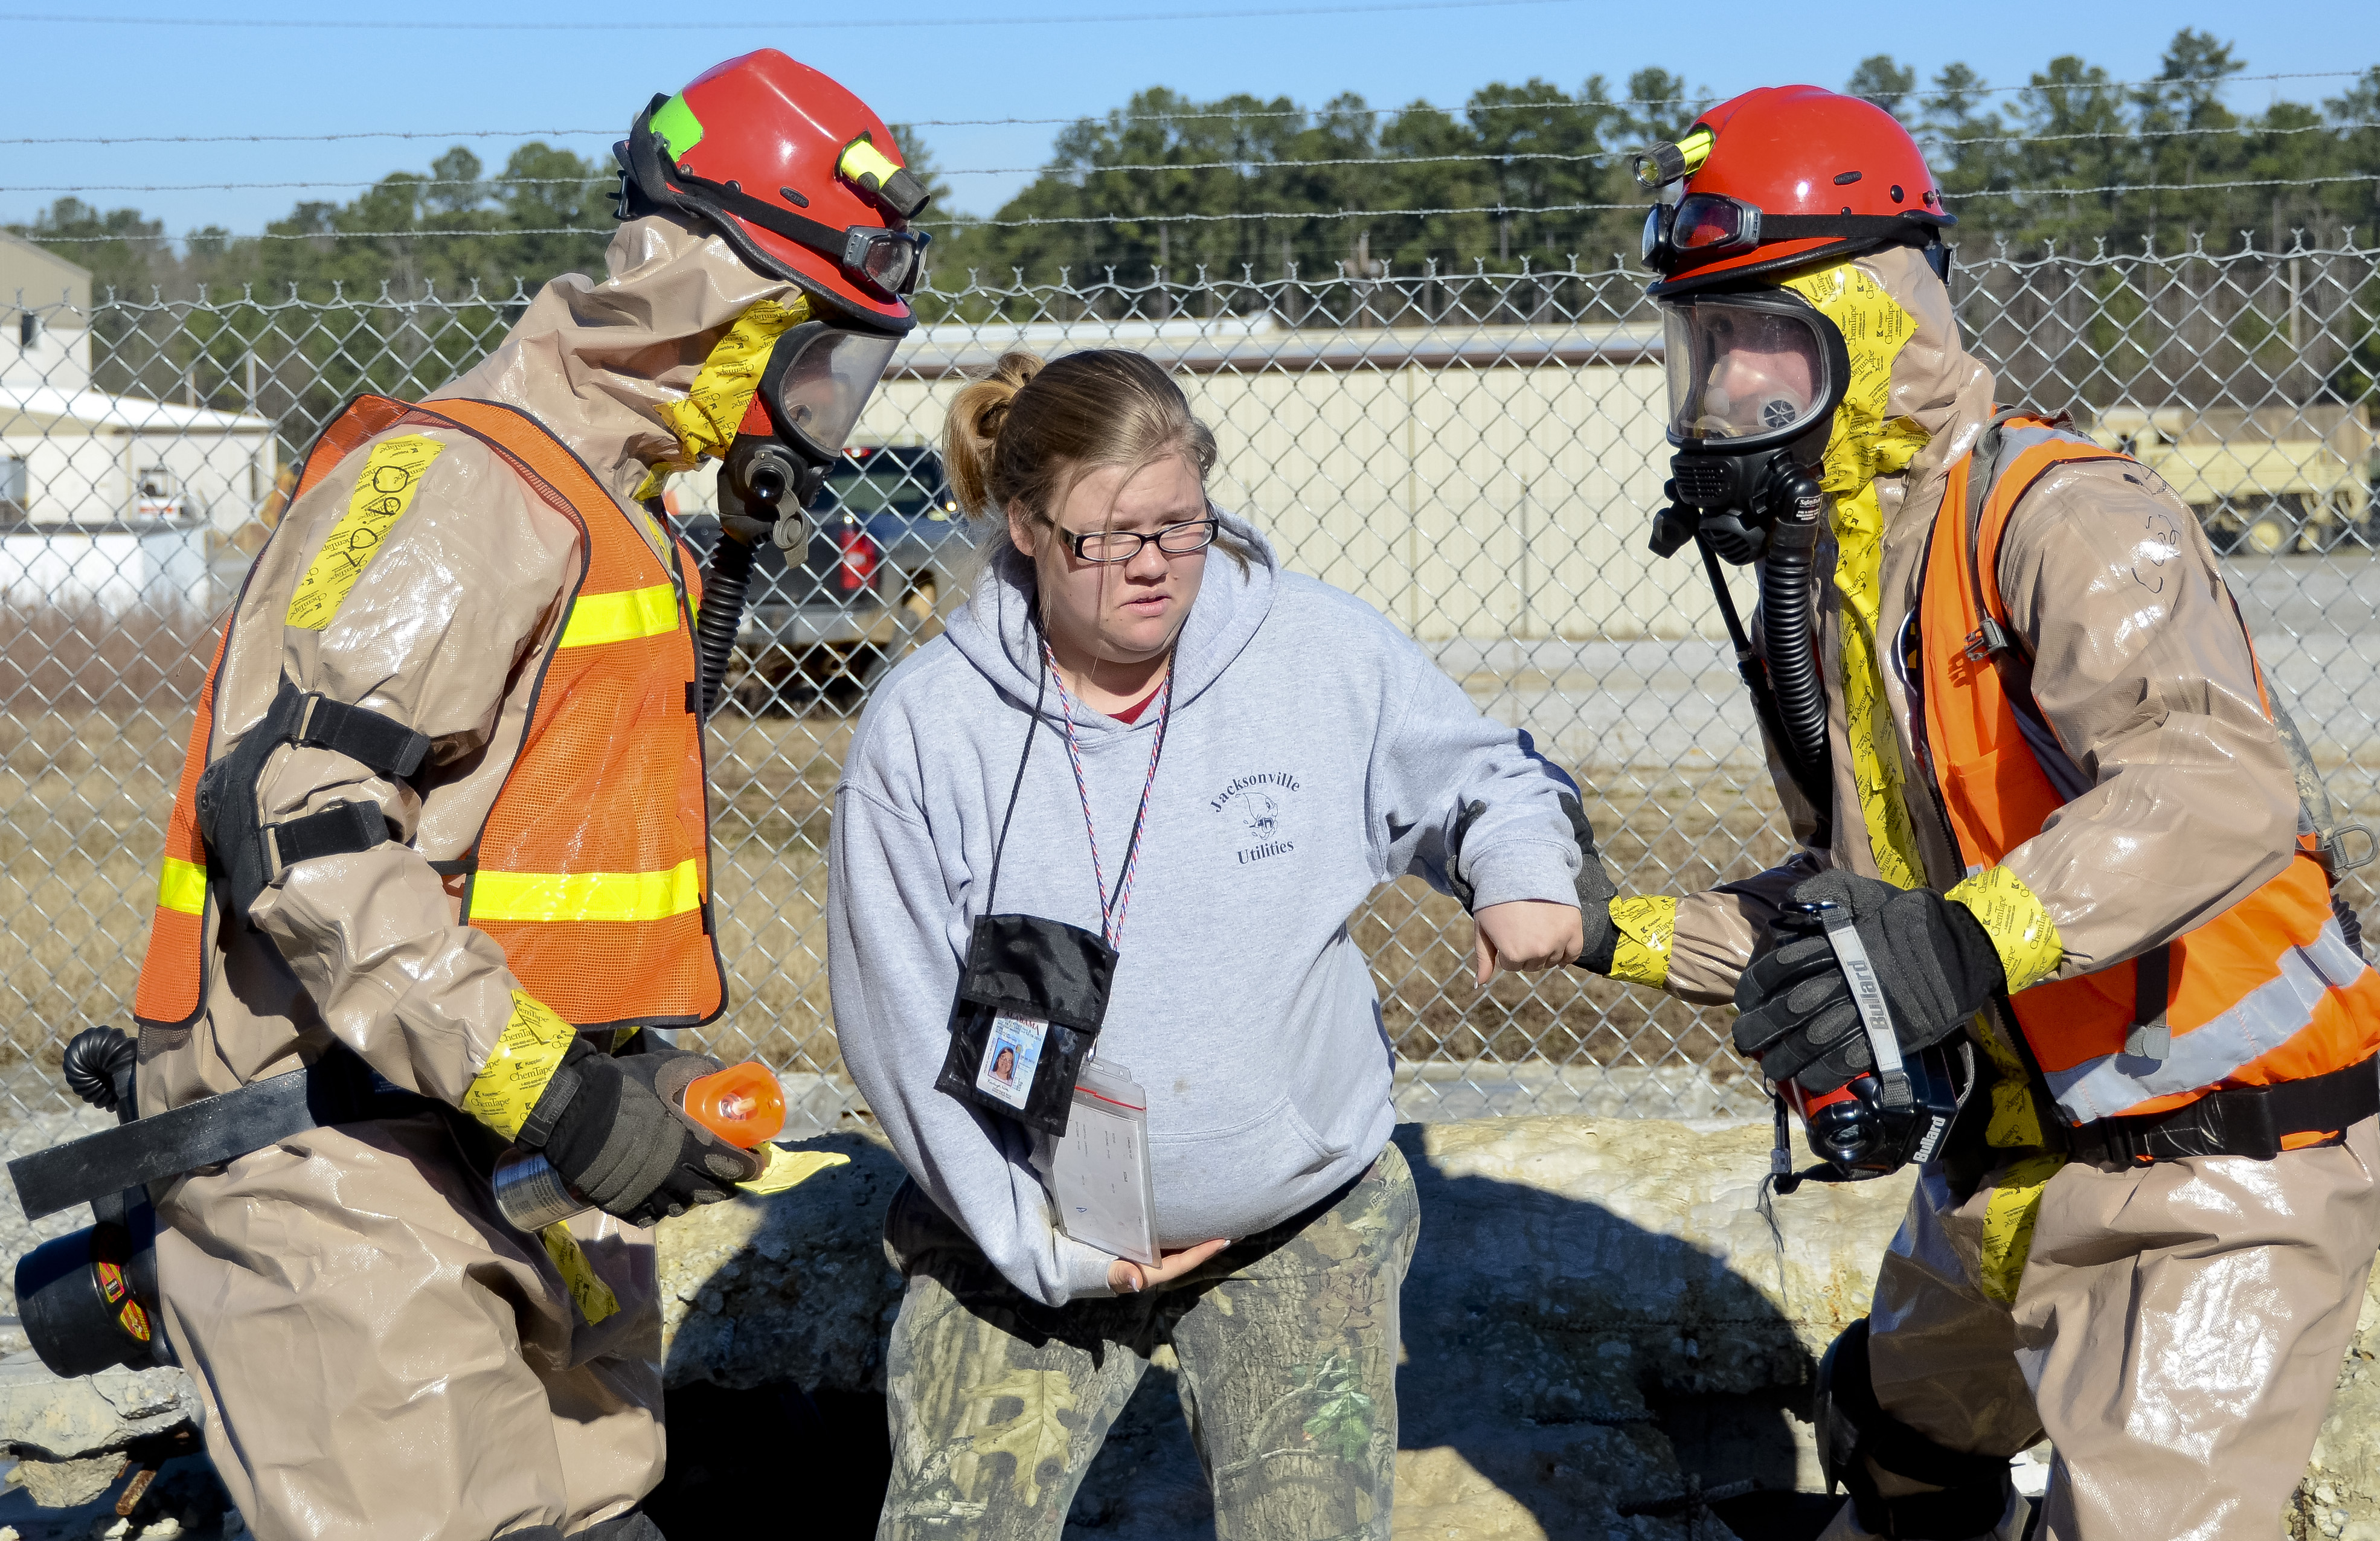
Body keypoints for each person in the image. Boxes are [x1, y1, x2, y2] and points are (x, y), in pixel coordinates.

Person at [119, 50, 931, 1541]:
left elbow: (508, 865)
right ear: (714, 300)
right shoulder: (466, 490)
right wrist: (557, 1089)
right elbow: (301, 828)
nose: (826, 403)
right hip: (346, 1175)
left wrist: (615, 1078)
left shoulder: (612, 508)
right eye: (817, 349)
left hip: (507, 1156)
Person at [1599, 86, 2380, 1540]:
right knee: (1890, 1434)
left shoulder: (2060, 515)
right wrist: (1609, 931)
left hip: (2222, 1159)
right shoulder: (1848, 573)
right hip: (2023, 1145)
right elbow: (1870, 897)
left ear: (1872, 320)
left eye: (1757, 338)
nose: (1718, 392)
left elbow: (2212, 785)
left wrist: (1962, 946)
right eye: (1699, 345)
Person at [829, 347, 1608, 1539]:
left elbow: (1485, 775)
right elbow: (894, 1026)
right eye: (1106, 536)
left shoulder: (1315, 651)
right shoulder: (926, 730)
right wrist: (1035, 1246)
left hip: (1290, 1219)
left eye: (1179, 524)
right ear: (1024, 528)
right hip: (1026, 1225)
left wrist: (1520, 871)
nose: (1152, 563)